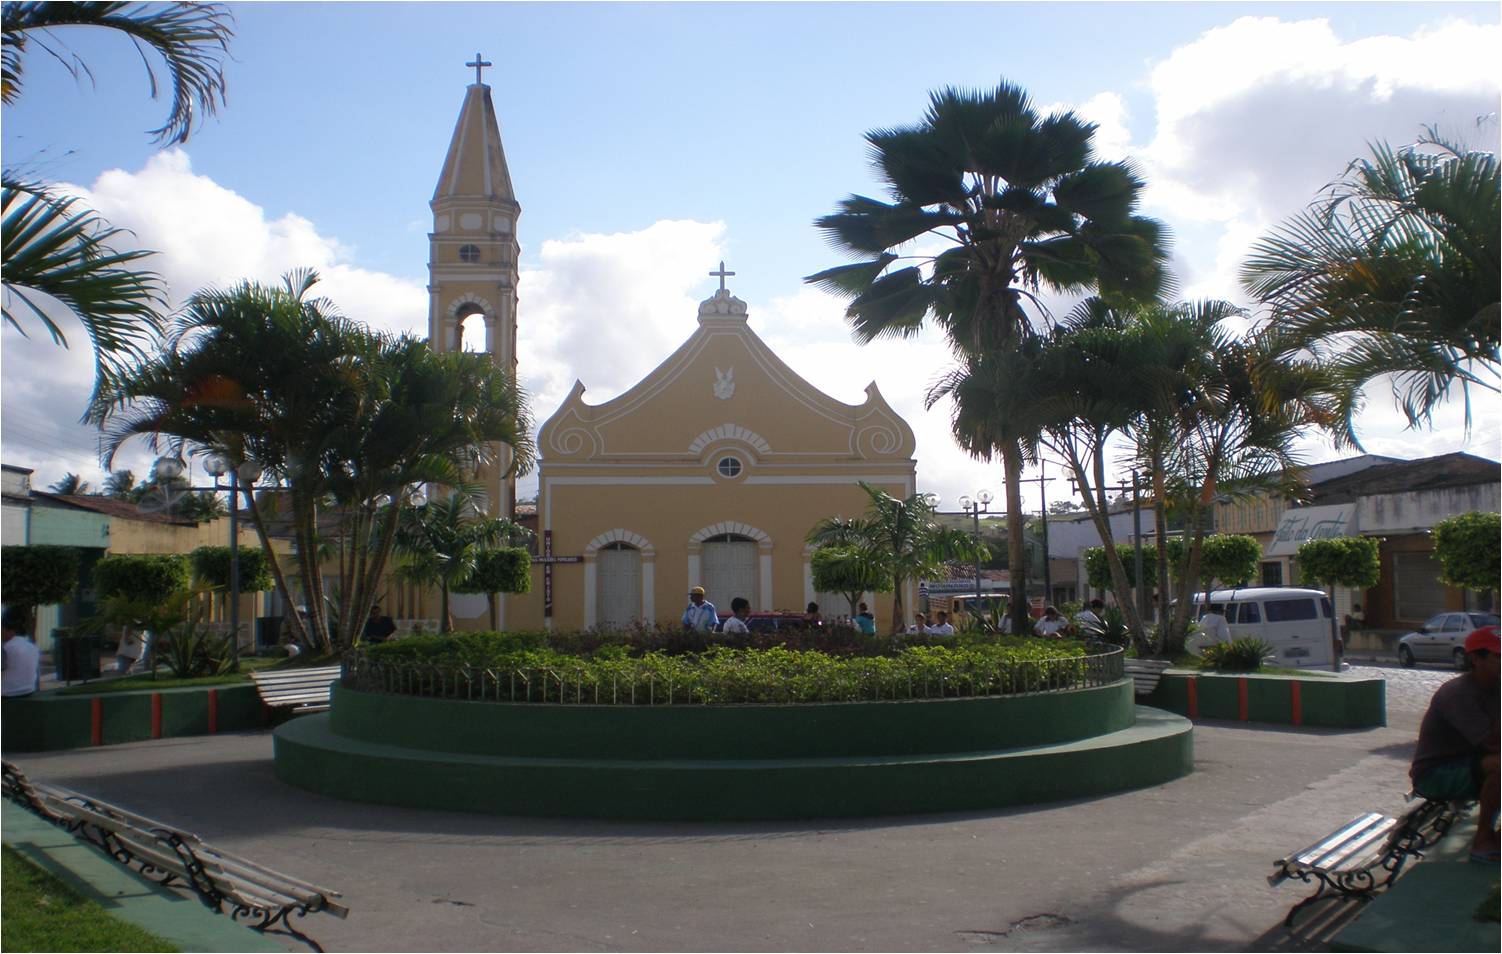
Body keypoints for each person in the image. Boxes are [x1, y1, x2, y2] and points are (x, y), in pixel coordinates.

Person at [1409, 625, 1500, 863]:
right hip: (1436, 774)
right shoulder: (1459, 694)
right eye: (1498, 656)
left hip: (1471, 763)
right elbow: (1493, 743)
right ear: (1474, 659)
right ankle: (1483, 842)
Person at [2, 607, 41, 698]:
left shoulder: (6, 648)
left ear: (9, 630)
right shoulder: (33, 648)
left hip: (7, 694)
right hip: (28, 691)